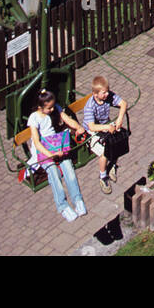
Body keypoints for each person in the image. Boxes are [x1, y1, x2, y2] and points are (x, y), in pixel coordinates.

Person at [27, 89, 88, 222]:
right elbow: (36, 142)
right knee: (54, 175)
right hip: (44, 150)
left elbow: (67, 119)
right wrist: (51, 155)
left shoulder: (55, 109)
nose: (52, 109)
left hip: (56, 143)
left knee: (69, 170)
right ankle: (63, 206)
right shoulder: (34, 118)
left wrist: (78, 127)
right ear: (40, 107)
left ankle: (77, 200)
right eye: (49, 108)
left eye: (53, 106)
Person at [81, 75, 129, 194]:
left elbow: (123, 103)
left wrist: (119, 118)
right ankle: (103, 176)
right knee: (105, 151)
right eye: (104, 93)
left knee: (118, 140)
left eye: (107, 91)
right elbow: (92, 126)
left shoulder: (108, 96)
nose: (107, 94)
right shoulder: (90, 106)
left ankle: (112, 164)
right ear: (95, 94)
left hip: (105, 125)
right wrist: (107, 127)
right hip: (92, 132)